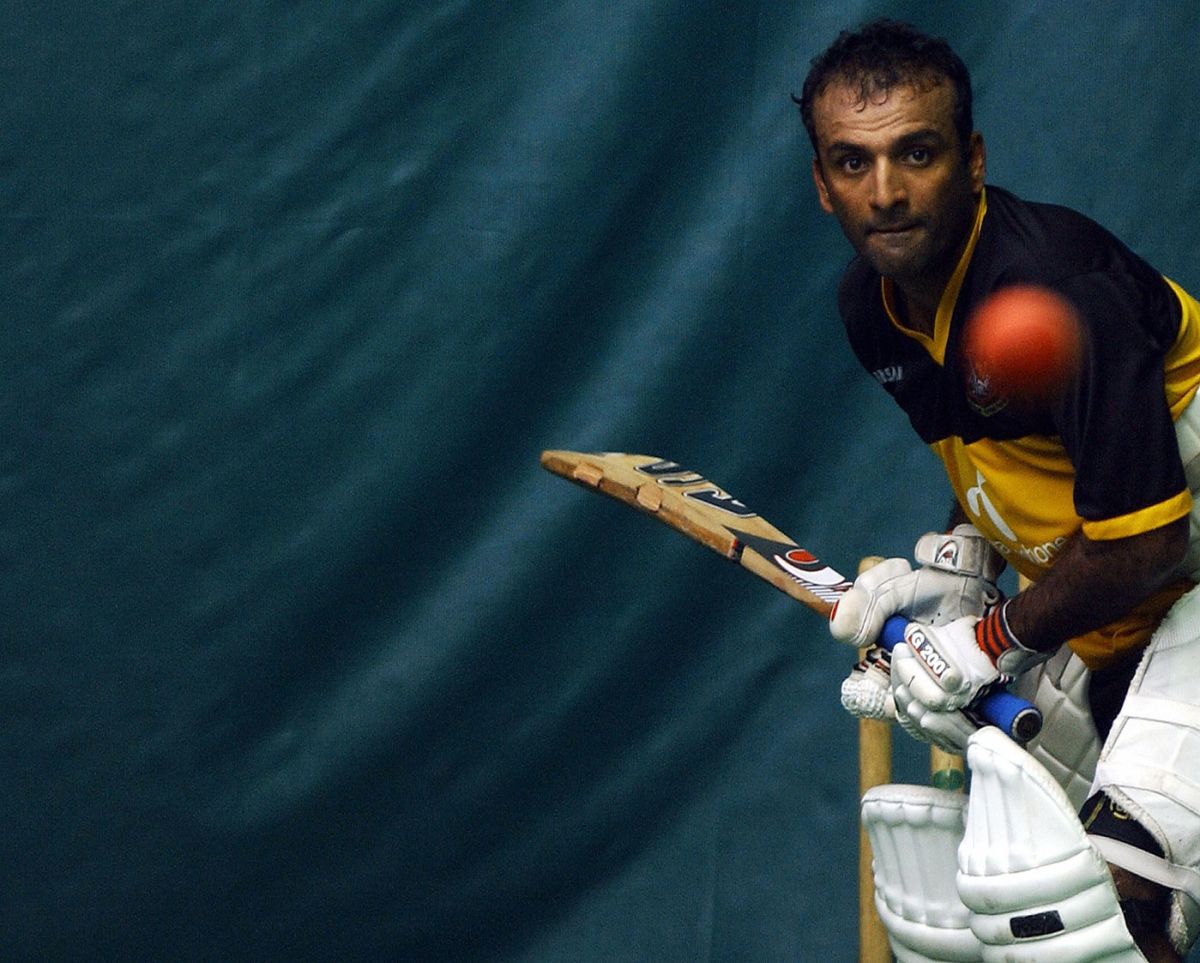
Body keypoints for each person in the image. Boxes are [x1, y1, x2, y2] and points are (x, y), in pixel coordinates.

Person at [797, 18, 1200, 963]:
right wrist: (961, 566)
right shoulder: (875, 306)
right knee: (983, 902)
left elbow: (1147, 542)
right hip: (1117, 622)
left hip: (1175, 585)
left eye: (917, 154)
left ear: (971, 161)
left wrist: (990, 639)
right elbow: (987, 467)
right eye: (853, 165)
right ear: (822, 184)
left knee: (1104, 899)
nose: (886, 194)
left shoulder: (1053, 289)